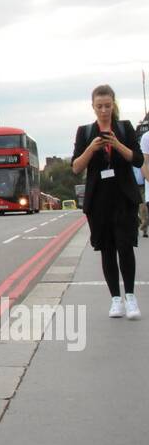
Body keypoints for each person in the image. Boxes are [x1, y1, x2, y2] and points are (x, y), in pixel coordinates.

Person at [71, 85, 144, 320]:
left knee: (125, 246)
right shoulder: (84, 132)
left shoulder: (125, 128)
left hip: (123, 197)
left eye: (108, 106)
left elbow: (138, 159)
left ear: (114, 105)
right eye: (99, 106)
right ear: (93, 107)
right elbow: (76, 167)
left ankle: (130, 298)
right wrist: (92, 149)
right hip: (99, 200)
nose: (104, 110)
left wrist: (117, 144)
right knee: (107, 250)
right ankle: (115, 299)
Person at [139, 125, 149, 240]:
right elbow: (144, 163)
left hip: (142, 185)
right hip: (141, 185)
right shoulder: (146, 138)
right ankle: (144, 227)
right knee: (142, 209)